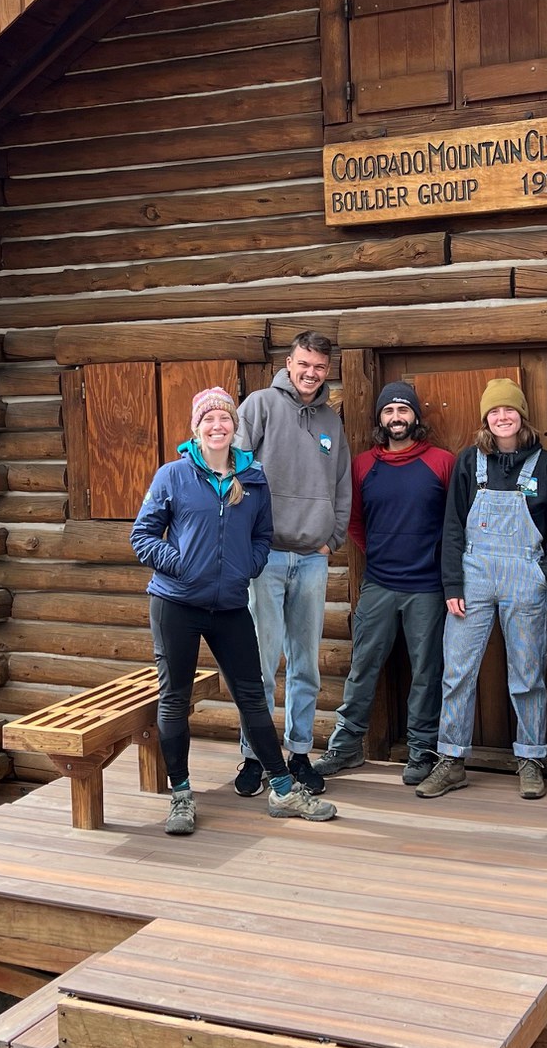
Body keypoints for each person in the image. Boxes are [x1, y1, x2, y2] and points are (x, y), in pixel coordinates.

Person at [131, 388, 339, 835]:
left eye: (224, 420)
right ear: (196, 427)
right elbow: (142, 536)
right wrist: (181, 564)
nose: (217, 427)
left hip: (229, 606)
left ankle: (282, 789)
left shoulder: (254, 478)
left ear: (233, 427)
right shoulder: (173, 475)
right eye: (208, 420)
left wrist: (251, 563)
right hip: (176, 604)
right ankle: (182, 796)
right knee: (174, 699)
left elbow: (263, 534)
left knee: (251, 695)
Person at [422, 377, 547, 800]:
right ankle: (450, 760)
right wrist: (452, 581)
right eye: (494, 411)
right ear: (486, 418)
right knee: (458, 671)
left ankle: (530, 758)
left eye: (510, 410)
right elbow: (452, 526)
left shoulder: (546, 465)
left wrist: (545, 574)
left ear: (522, 416)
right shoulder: (470, 462)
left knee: (527, 673)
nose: (502, 417)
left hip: (527, 576)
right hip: (472, 576)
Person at [314, 381, 454, 785]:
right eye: (389, 411)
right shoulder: (362, 465)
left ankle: (422, 749)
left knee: (427, 670)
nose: (396, 417)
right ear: (380, 418)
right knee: (363, 667)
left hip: (427, 587)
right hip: (379, 582)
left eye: (403, 410)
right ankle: (346, 748)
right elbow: (354, 519)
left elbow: (454, 524)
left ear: (415, 416)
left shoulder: (442, 462)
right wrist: (376, 550)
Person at [236, 331, 350, 797]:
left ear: (328, 370)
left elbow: (342, 486)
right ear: (289, 362)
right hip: (265, 559)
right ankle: (254, 756)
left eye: (320, 367)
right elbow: (233, 467)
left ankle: (299, 753)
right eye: (304, 363)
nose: (310, 373)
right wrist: (246, 538)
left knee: (305, 663)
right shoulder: (260, 406)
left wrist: (333, 539)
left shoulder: (331, 422)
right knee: (261, 663)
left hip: (311, 559)